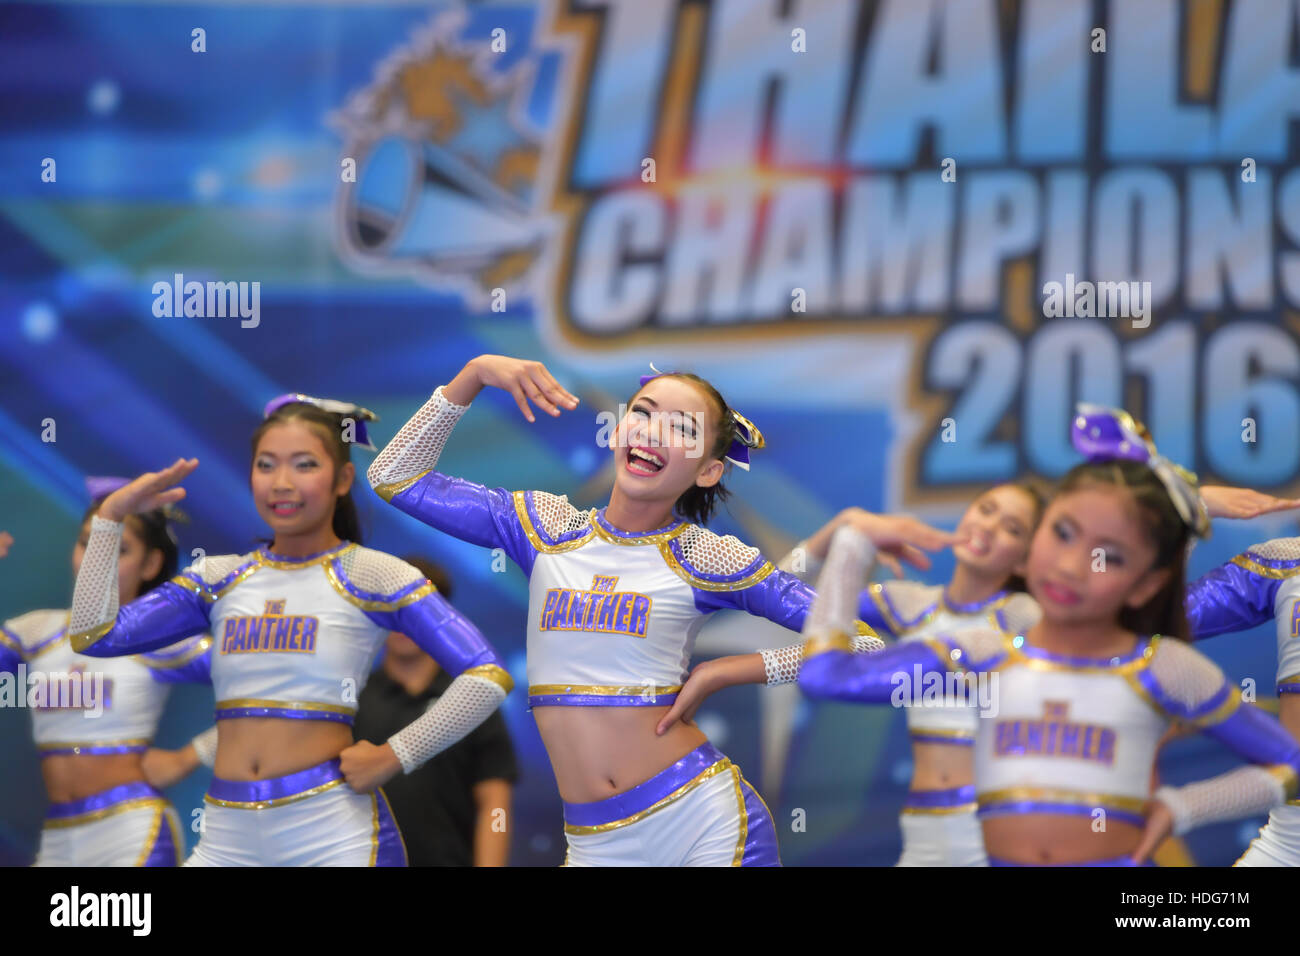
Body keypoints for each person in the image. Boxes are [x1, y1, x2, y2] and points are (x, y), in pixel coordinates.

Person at [366, 354, 949, 866]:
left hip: (702, 824)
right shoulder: (540, 527)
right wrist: (473, 376)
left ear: (708, 469)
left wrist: (728, 670)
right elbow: (393, 476)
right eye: (642, 413)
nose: (652, 432)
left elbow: (865, 644)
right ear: (618, 430)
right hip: (594, 842)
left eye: (681, 427)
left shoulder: (706, 556)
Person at [796, 405, 1300, 865]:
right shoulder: (984, 652)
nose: (1072, 567)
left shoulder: (1164, 666)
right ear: (1035, 542)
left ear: (1146, 585)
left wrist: (1182, 807)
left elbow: (1291, 764)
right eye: (1062, 533)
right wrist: (853, 543)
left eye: (1111, 557)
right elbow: (825, 675)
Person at [65, 394, 511, 866]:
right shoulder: (218, 578)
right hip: (225, 838)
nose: (281, 483)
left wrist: (395, 756)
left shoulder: (372, 575)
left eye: (304, 465)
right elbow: (94, 635)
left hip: (333, 835)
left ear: (342, 478)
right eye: (266, 465)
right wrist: (110, 519)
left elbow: (486, 676)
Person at [0, 482, 214, 866]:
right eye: (87, 543)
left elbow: (264, 681)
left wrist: (190, 756)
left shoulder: (161, 641)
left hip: (130, 829)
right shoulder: (35, 632)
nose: (94, 561)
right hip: (58, 839)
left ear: (150, 564)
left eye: (119, 549)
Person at [353, 556, 518, 866]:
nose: (404, 621)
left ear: (444, 618)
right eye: (392, 608)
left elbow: (495, 806)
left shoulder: (474, 700)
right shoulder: (352, 698)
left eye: (420, 610)